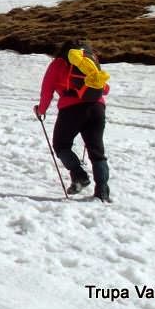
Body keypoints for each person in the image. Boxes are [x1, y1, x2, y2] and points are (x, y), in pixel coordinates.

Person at [35, 40, 111, 202]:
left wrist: (41, 110)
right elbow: (105, 88)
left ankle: (79, 176)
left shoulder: (57, 64)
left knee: (61, 145)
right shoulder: (90, 62)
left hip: (71, 109)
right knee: (97, 152)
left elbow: (47, 91)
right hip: (97, 108)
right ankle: (102, 191)